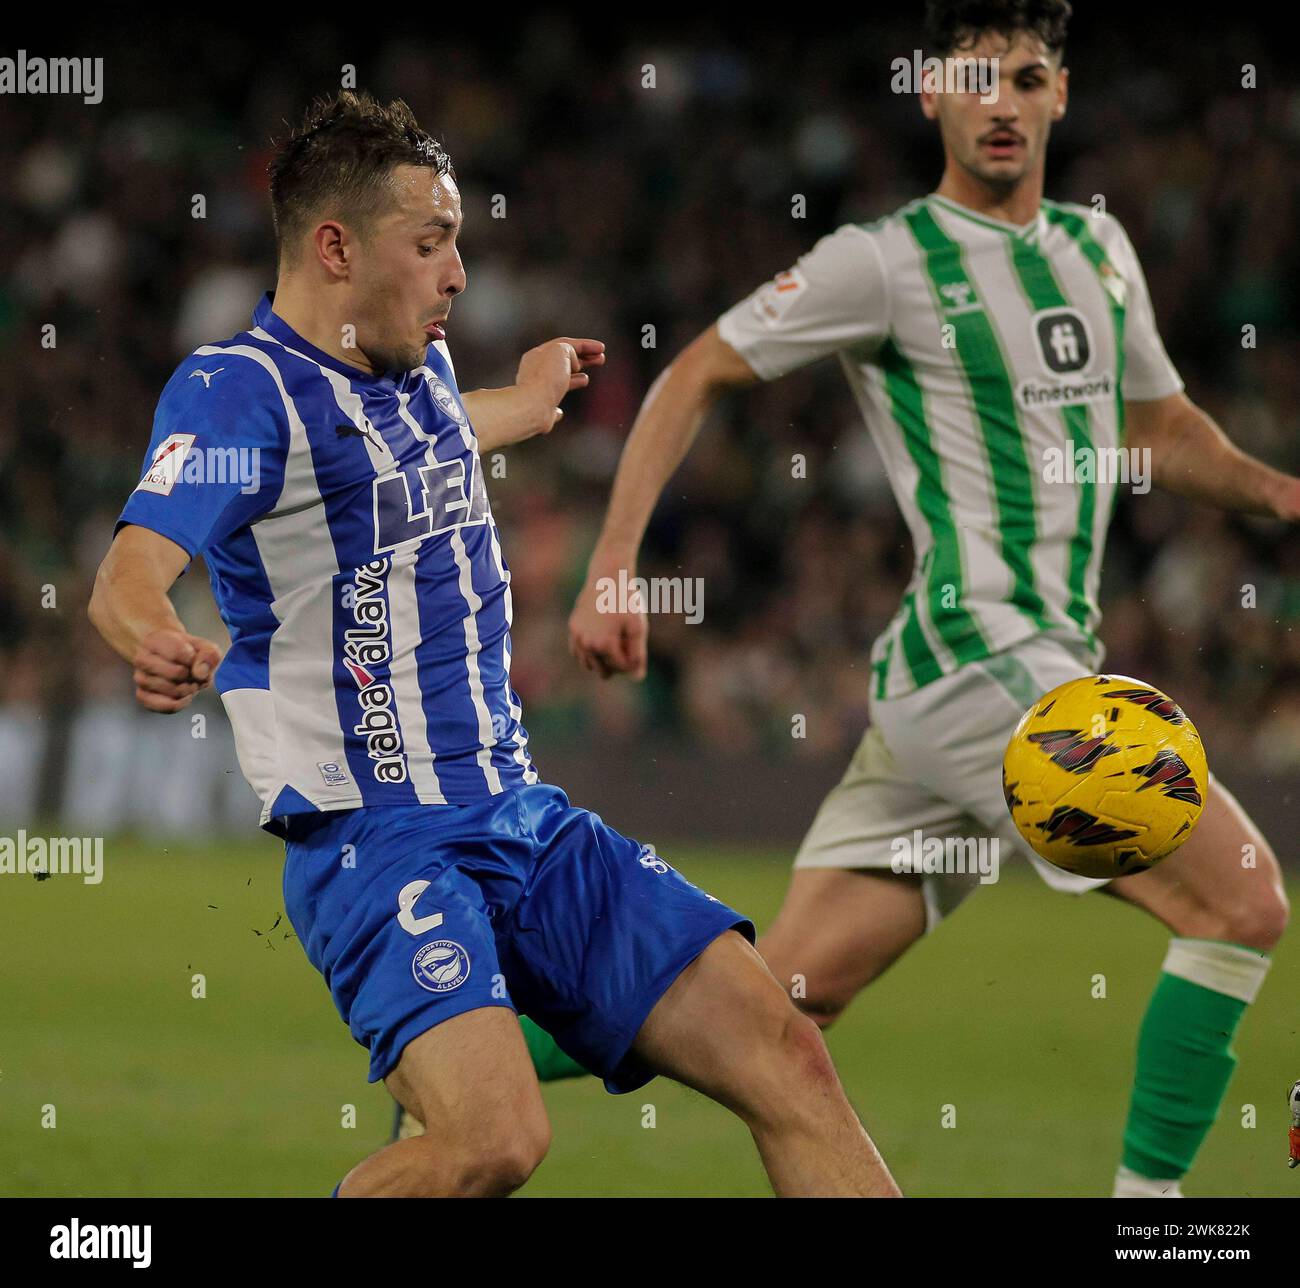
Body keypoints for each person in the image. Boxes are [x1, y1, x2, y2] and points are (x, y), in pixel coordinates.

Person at [87, 90, 900, 1199]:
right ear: (335, 247)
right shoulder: (244, 396)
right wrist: (155, 635)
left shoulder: (409, 378)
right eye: (431, 243)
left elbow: (436, 434)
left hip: (523, 817)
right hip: (381, 842)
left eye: (456, 244)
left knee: (790, 1055)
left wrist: (529, 394)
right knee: (492, 1143)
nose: (458, 273)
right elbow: (131, 567)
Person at [568, 0, 1290, 1198]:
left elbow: (1156, 429)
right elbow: (696, 365)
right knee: (1242, 902)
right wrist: (613, 562)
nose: (998, 101)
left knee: (774, 1004)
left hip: (968, 685)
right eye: (971, 78)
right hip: (980, 657)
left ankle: (477, 1029)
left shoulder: (1097, 251)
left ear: (1059, 94)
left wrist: (1283, 494)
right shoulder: (885, 261)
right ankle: (1149, 1222)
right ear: (929, 97)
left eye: (1024, 77)